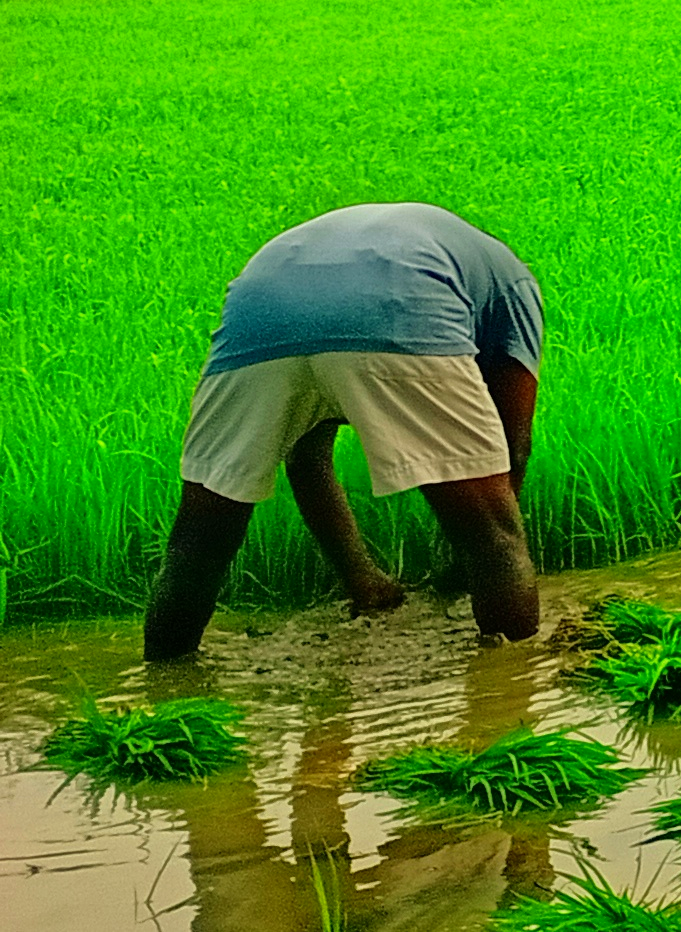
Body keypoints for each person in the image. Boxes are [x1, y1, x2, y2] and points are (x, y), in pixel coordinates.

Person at [147, 202, 545, 661]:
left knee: (198, 542)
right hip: (398, 301)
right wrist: (472, 556)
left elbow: (306, 456)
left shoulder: (449, 251)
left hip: (259, 314)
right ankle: (510, 696)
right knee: (494, 537)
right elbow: (512, 446)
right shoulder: (516, 284)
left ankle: (161, 698)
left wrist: (360, 577)